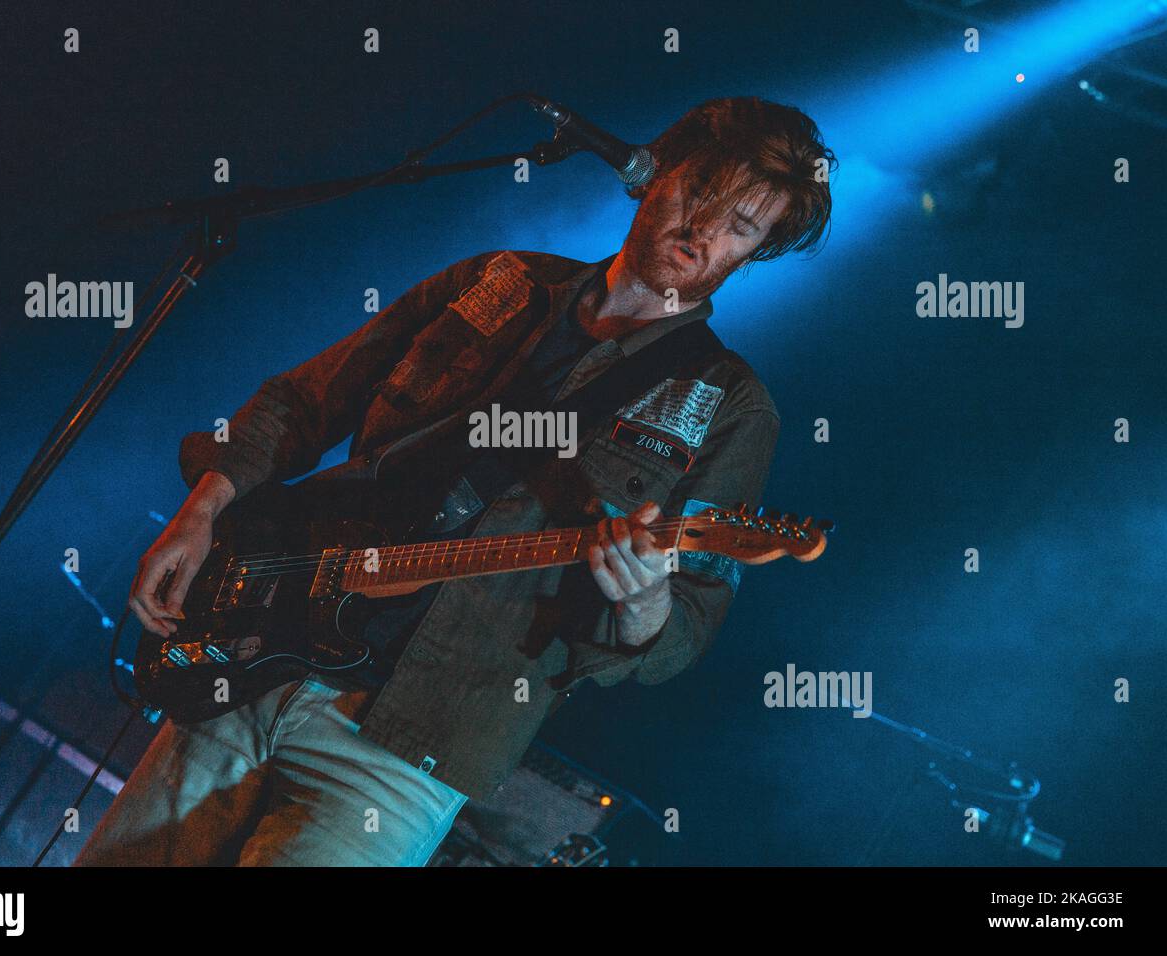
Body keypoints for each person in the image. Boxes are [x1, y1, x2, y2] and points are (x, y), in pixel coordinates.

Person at [75, 96, 834, 866]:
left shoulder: (728, 405)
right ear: (652, 173)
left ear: (758, 251)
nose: (703, 232)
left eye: (741, 227)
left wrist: (643, 602)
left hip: (411, 747)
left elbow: (688, 627)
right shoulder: (498, 281)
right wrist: (202, 509)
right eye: (698, 196)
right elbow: (304, 401)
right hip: (255, 649)